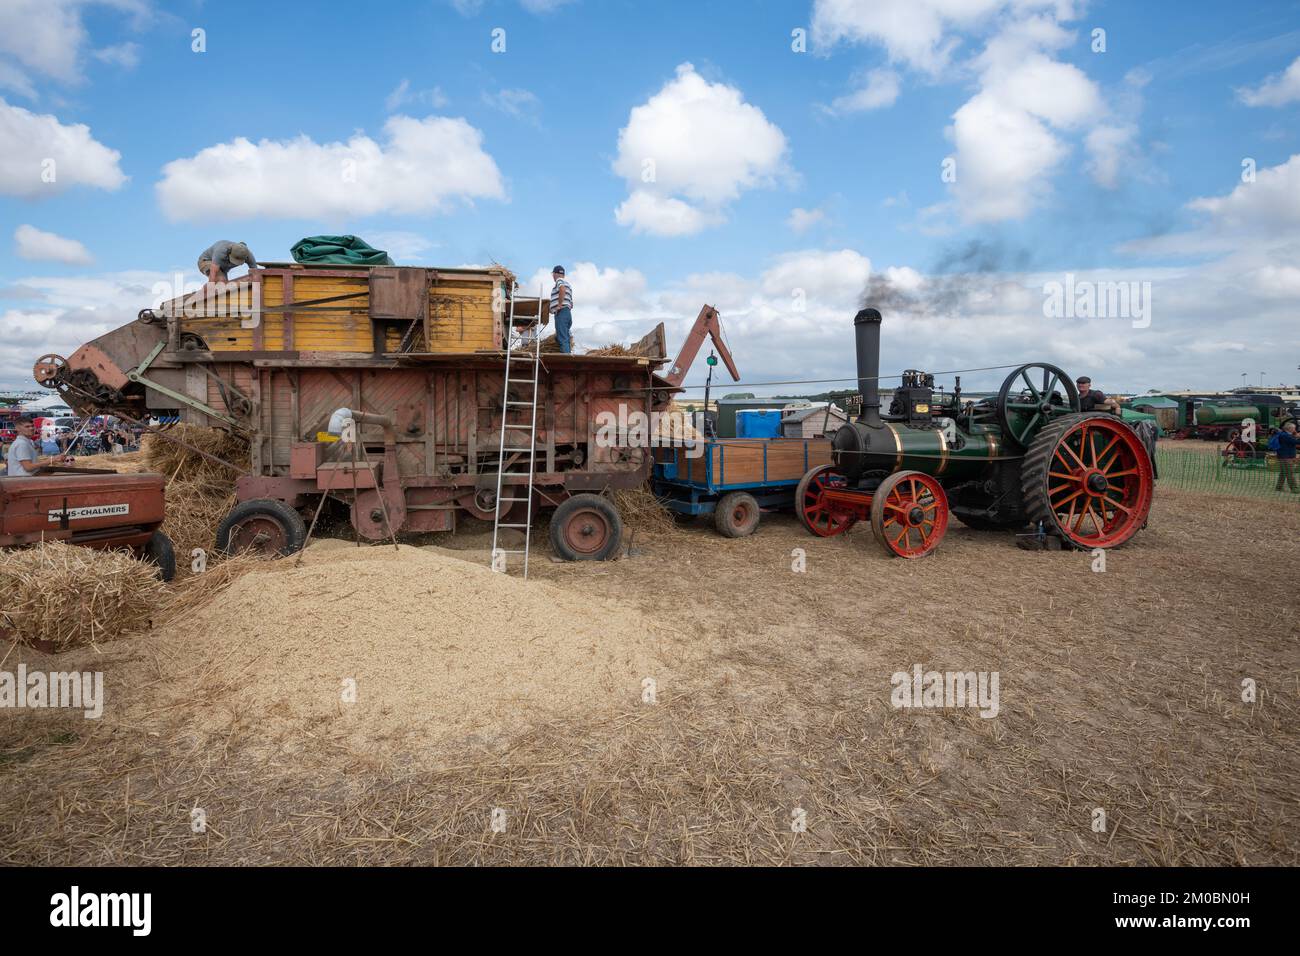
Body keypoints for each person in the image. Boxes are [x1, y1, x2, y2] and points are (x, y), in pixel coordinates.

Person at [550, 265, 573, 354]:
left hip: (562, 312)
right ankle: (568, 354)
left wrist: (559, 305)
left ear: (555, 274)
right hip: (567, 313)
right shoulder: (569, 285)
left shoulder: (559, 281)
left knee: (562, 337)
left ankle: (566, 359)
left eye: (553, 274)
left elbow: (562, 289)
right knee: (565, 337)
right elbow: (571, 303)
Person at [1275, 421, 1299, 493]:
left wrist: (1295, 435)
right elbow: (1296, 442)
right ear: (1290, 429)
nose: (1295, 430)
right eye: (1294, 428)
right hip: (1286, 457)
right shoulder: (1285, 436)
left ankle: (1278, 487)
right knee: (1289, 473)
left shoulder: (1285, 434)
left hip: (1285, 457)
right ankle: (1294, 488)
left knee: (1283, 473)